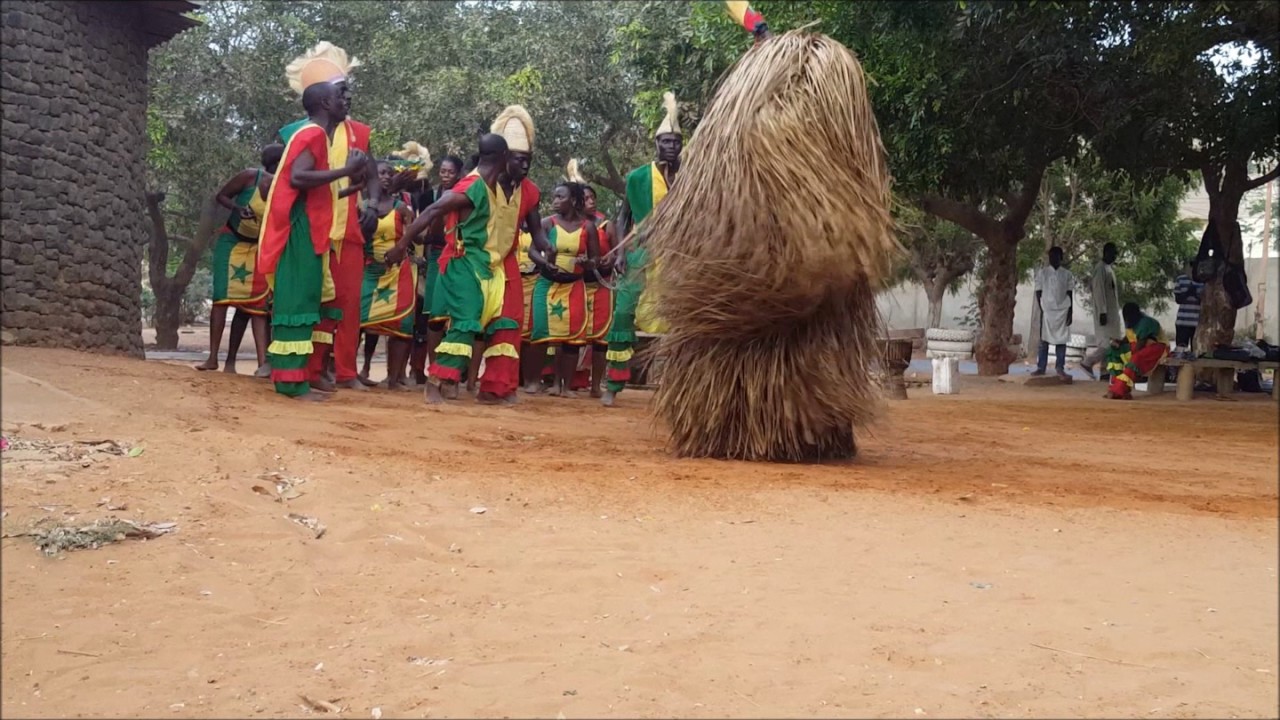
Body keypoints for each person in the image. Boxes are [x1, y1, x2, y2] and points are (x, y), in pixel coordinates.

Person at [257, 42, 378, 400]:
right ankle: (291, 383)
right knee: (297, 303)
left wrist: (351, 188)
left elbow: (313, 192)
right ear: (325, 102)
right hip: (300, 233)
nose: (347, 99)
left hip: (309, 230)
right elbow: (297, 178)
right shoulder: (311, 133)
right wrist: (345, 170)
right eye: (341, 94)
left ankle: (298, 378)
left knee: (307, 302)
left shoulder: (317, 134)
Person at [387, 133, 522, 405]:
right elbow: (432, 211)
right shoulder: (472, 186)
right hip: (464, 266)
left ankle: (484, 385)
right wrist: (401, 245)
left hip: (487, 268)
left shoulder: (491, 186)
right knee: (465, 323)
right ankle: (436, 381)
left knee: (498, 323)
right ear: (503, 157)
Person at [603, 92, 682, 407]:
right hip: (640, 254)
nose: (671, 146)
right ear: (656, 143)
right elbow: (623, 217)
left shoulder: (693, 176)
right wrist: (620, 253)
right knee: (623, 313)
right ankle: (613, 383)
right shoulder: (637, 177)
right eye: (665, 141)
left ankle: (677, 388)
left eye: (676, 142)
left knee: (681, 319)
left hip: (679, 256)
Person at [198, 143, 283, 376]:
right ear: (277, 163)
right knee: (221, 298)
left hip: (258, 247)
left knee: (257, 305)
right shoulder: (249, 177)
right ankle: (212, 357)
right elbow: (221, 196)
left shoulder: (285, 187)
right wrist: (238, 208)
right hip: (231, 242)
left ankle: (263, 363)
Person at [528, 180, 601, 397]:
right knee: (541, 334)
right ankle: (534, 381)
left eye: (561, 197)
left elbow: (595, 258)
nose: (555, 201)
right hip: (547, 286)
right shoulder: (547, 223)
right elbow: (533, 251)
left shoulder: (588, 227)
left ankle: (566, 386)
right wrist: (545, 263)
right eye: (554, 197)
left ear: (574, 200)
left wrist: (587, 263)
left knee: (572, 338)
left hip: (574, 286)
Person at [357, 161, 417, 390]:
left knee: (402, 325)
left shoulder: (402, 209)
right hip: (369, 271)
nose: (386, 176)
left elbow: (415, 235)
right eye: (381, 172)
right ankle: (350, 371)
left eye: (390, 173)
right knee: (357, 321)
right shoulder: (362, 207)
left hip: (397, 273)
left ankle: (393, 379)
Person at [408, 155, 464, 383]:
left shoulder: (463, 196)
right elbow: (424, 232)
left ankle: (453, 368)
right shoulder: (429, 196)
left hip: (458, 258)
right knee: (432, 313)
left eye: (450, 172)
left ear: (459, 174)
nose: (446, 175)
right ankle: (431, 368)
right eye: (443, 171)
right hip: (434, 257)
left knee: (456, 313)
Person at [576, 163, 613, 397]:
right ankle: (570, 381)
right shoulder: (571, 225)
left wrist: (611, 258)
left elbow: (617, 252)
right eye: (586, 198)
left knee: (600, 337)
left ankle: (596, 385)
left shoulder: (605, 224)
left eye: (593, 198)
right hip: (577, 285)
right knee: (574, 334)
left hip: (601, 285)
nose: (591, 201)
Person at [1105, 302, 1169, 400]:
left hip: (1158, 347)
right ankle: (1116, 386)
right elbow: (1130, 337)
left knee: (1136, 358)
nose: (1126, 318)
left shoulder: (1146, 322)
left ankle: (1118, 390)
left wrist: (1129, 362)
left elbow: (1140, 344)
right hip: (1139, 346)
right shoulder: (1131, 322)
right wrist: (1120, 343)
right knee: (1113, 351)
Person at [1080, 242, 1122, 380]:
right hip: (1104, 313)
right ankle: (1088, 362)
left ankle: (1104, 373)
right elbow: (1098, 291)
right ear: (1106, 252)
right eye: (1113, 253)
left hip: (1112, 312)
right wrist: (1102, 312)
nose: (1115, 256)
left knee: (1113, 343)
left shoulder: (1109, 269)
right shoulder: (1100, 269)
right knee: (1106, 344)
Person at [1033, 246, 1074, 379]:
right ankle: (1041, 367)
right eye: (1051, 256)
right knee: (1044, 340)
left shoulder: (1067, 274)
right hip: (1047, 310)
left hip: (1063, 310)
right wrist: (1042, 308)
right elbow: (1038, 291)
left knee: (1061, 341)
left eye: (1055, 256)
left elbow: (1069, 293)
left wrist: (1070, 312)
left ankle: (1060, 368)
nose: (1052, 259)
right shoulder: (1042, 273)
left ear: (1061, 258)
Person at [1173, 258, 1205, 360]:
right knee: (1181, 351)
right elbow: (1178, 299)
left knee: (1196, 352)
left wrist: (1195, 294)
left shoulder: (1204, 281)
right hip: (1183, 322)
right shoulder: (1181, 280)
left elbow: (1206, 302)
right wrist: (1188, 292)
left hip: (1198, 322)